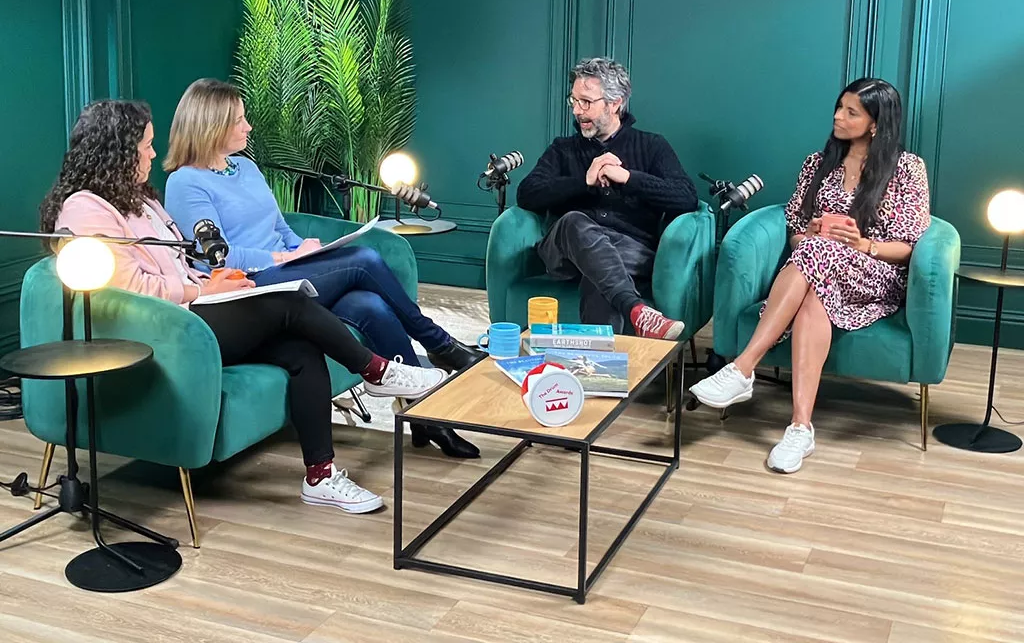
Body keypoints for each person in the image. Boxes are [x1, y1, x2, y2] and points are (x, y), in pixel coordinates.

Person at [40, 100, 452, 513]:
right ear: (115, 150)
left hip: (195, 311)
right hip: (168, 330)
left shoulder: (140, 199)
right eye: (144, 145)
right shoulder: (85, 208)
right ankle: (377, 370)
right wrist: (202, 291)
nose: (152, 153)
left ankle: (320, 476)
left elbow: (181, 260)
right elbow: (130, 286)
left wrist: (212, 281)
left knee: (301, 349)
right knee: (289, 300)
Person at [162, 78, 481, 459]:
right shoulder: (185, 183)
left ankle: (427, 418)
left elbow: (279, 228)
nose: (248, 126)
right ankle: (440, 344)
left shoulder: (244, 167)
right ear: (210, 127)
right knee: (365, 260)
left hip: (288, 270)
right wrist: (282, 259)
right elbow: (220, 256)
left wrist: (304, 248)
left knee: (369, 306)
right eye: (238, 121)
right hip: (252, 288)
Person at [688, 78, 932, 474]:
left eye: (851, 112)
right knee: (813, 292)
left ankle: (743, 368)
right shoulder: (817, 164)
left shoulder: (907, 169)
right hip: (819, 269)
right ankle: (800, 429)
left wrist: (862, 243)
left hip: (875, 272)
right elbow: (795, 232)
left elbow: (907, 246)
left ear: (876, 124)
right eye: (838, 107)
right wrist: (812, 233)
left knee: (816, 256)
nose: (838, 116)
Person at [517, 57, 697, 336]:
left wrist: (628, 178)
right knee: (574, 221)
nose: (577, 110)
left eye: (586, 102)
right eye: (574, 100)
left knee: (600, 276)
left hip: (629, 250)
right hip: (566, 252)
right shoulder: (563, 149)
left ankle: (600, 364)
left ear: (615, 103)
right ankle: (637, 310)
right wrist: (584, 181)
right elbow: (527, 193)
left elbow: (686, 197)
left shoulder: (652, 146)